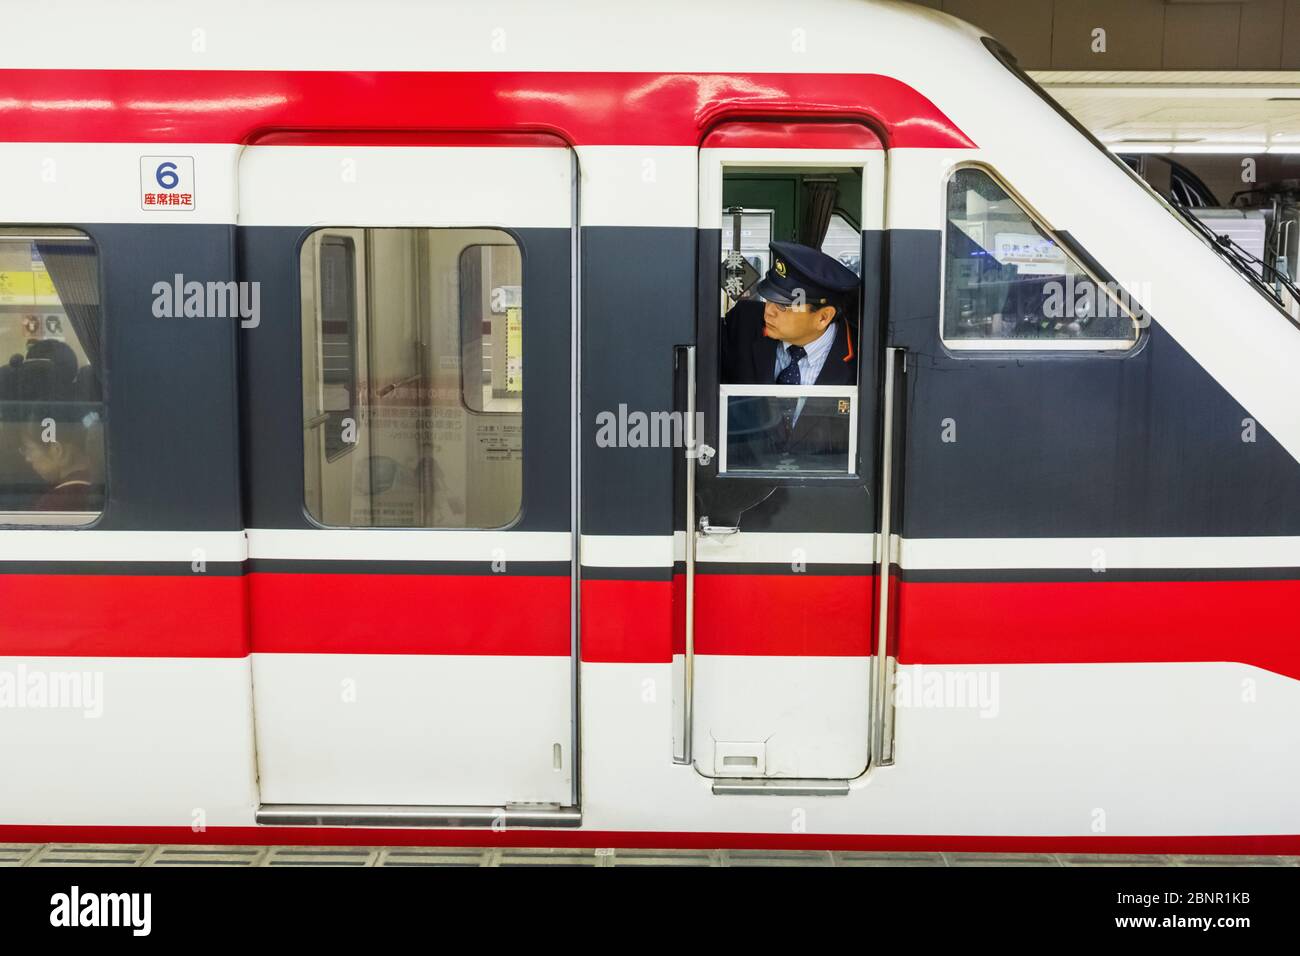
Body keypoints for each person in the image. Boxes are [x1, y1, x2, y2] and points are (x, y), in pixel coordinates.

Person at [720, 241, 860, 471]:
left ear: (823, 317)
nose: (769, 311)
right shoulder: (743, 326)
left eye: (784, 306)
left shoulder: (863, 359)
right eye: (768, 298)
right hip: (743, 481)